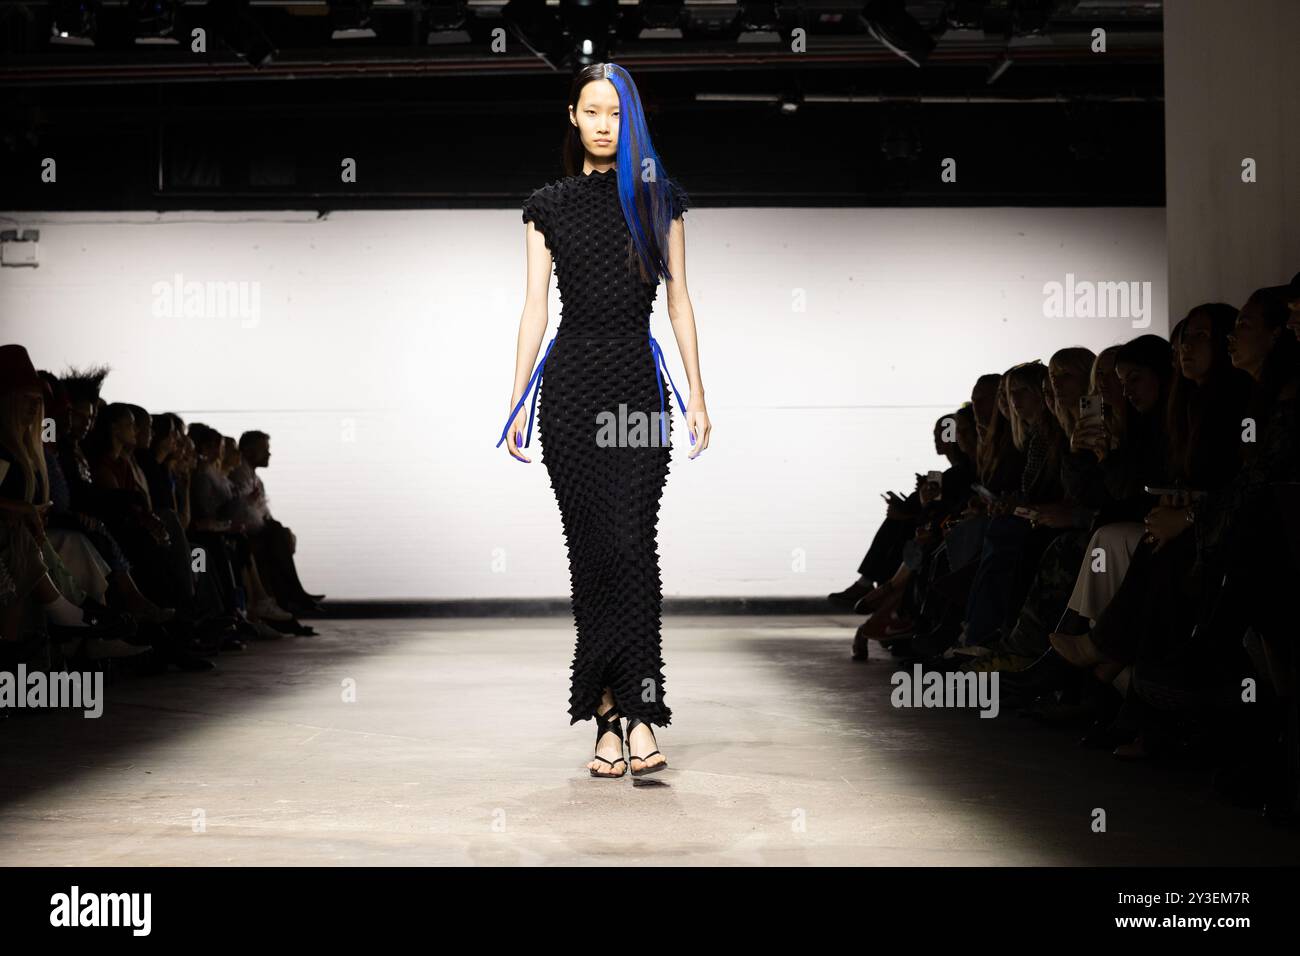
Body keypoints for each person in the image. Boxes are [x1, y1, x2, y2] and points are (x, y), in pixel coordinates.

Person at [495, 62, 712, 779]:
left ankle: (641, 710)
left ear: (632, 121)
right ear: (572, 115)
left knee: (630, 544)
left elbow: (680, 305)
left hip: (637, 385)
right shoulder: (547, 205)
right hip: (570, 387)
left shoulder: (661, 200)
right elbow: (534, 308)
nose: (603, 123)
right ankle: (608, 718)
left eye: (615, 113)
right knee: (592, 552)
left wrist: (700, 398)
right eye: (592, 111)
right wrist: (516, 401)